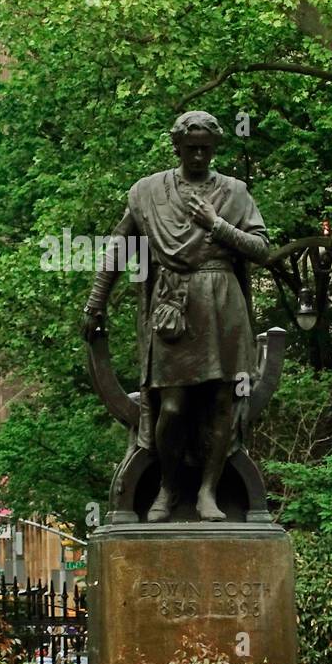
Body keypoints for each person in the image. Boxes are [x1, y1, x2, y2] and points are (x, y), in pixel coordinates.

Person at [82, 110, 269, 521]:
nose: (199, 156)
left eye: (206, 148)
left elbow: (261, 248)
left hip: (222, 302)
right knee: (172, 406)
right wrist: (97, 300)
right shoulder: (149, 192)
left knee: (223, 402)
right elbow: (119, 247)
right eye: (191, 148)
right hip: (174, 308)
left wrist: (217, 225)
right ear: (177, 147)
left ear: (215, 148)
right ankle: (168, 486)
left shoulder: (235, 193)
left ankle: (208, 491)